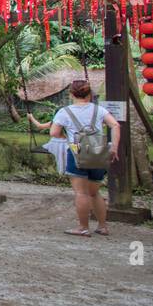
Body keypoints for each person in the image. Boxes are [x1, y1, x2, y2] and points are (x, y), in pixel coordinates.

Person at [50, 79, 121, 237]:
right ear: (89, 94)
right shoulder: (99, 110)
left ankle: (83, 227)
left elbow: (53, 133)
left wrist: (66, 137)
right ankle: (102, 226)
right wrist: (114, 147)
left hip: (76, 151)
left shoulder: (65, 111)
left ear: (71, 94)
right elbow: (115, 125)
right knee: (94, 193)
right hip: (98, 151)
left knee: (81, 193)